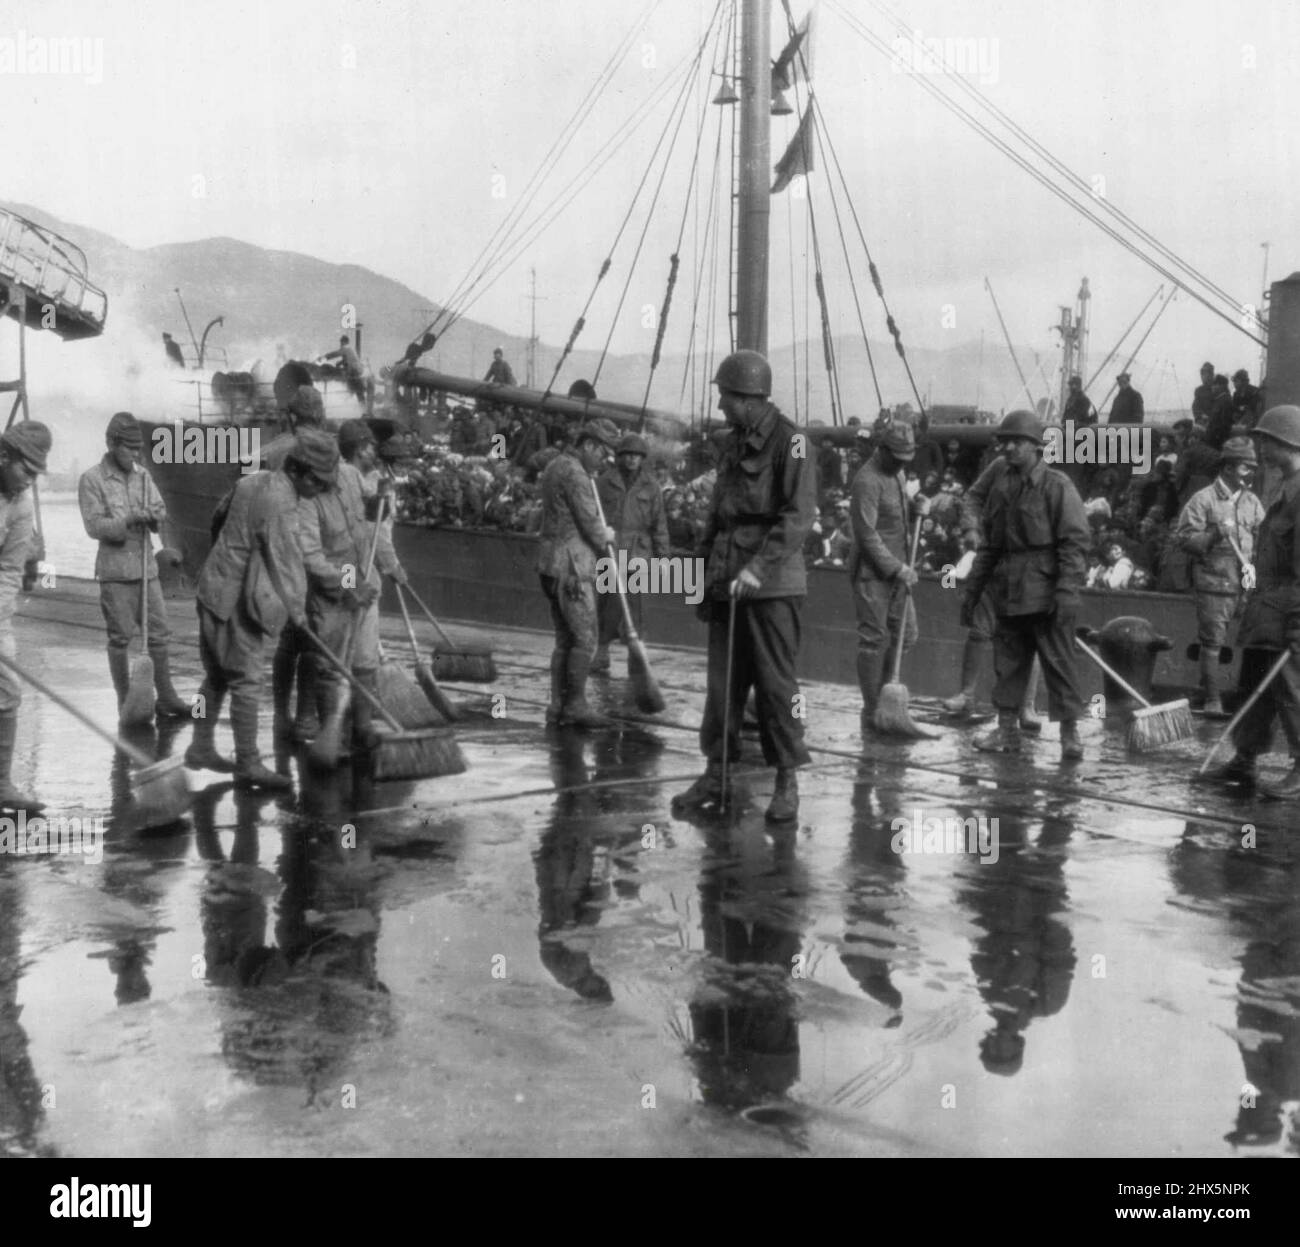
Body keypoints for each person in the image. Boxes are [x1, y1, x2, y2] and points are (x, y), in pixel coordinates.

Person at [673, 350, 816, 823]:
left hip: (772, 585)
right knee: (723, 685)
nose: (720, 406)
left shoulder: (793, 444)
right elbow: (718, 514)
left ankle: (787, 781)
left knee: (777, 687)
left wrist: (757, 569)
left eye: (726, 396)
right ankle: (717, 772)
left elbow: (798, 517)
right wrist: (703, 577)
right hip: (726, 577)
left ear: (751, 398)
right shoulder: (732, 443)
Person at [185, 428, 337, 790]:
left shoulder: (254, 481)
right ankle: (249, 763)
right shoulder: (282, 501)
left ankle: (201, 746)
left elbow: (217, 519)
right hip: (235, 599)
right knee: (247, 679)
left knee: (218, 675)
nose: (321, 489)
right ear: (299, 470)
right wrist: (298, 612)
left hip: (213, 585)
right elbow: (285, 561)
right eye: (318, 482)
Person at [962, 410, 1090, 760]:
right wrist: (974, 589)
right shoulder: (1002, 486)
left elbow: (1074, 543)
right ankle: (1005, 729)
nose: (1009, 449)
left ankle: (1070, 734)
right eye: (1006, 442)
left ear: (1036, 446)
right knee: (1009, 663)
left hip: (1047, 591)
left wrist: (1066, 590)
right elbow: (991, 544)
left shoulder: (1057, 486)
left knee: (1059, 663)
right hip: (1009, 589)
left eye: (1017, 442)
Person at [1195, 407, 1300, 797]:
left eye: (1268, 441)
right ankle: (1244, 759)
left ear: (1288, 443)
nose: (1262, 449)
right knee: (1252, 686)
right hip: (1266, 612)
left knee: (1291, 692)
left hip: (1289, 611)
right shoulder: (1280, 490)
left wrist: (1298, 626)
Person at [296, 422, 408, 755]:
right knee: (332, 665)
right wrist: (348, 585)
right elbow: (313, 556)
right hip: (335, 584)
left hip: (364, 572)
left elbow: (369, 514)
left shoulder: (348, 475)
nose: (330, 475)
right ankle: (336, 737)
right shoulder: (305, 499)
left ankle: (361, 727)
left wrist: (379, 502)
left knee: (365, 659)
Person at [77, 411, 190, 722]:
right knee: (120, 638)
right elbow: (93, 526)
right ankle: (125, 701)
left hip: (146, 569)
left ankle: (167, 697)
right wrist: (127, 520)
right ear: (112, 444)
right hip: (116, 572)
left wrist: (154, 516)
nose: (136, 454)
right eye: (129, 448)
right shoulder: (91, 480)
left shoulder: (143, 475)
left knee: (159, 633)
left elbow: (160, 510)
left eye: (139, 449)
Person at [537, 418, 621, 729]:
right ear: (588, 445)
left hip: (549, 563)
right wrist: (607, 534)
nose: (605, 459)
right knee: (585, 637)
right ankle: (575, 705)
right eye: (602, 452)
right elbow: (590, 523)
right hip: (573, 567)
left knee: (564, 639)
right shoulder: (576, 474)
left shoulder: (556, 465)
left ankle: (557, 705)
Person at [1174, 436, 1264, 717]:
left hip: (1247, 586)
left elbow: (1262, 540)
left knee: (1253, 642)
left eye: (1252, 467)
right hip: (1214, 584)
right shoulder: (1203, 501)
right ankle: (1213, 700)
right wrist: (1214, 534)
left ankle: (1246, 701)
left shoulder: (1252, 502)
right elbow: (1185, 540)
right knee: (1212, 642)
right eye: (1244, 467)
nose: (1250, 472)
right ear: (1227, 468)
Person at [846, 422, 928, 725]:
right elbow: (866, 534)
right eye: (897, 457)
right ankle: (872, 710)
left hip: (897, 572)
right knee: (873, 639)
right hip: (873, 573)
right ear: (882, 449)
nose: (902, 463)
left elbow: (897, 509)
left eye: (907, 458)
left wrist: (916, 503)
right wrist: (897, 568)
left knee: (907, 635)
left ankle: (884, 698)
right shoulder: (867, 481)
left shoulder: (897, 473)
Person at [0, 423, 52, 810]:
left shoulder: (20, 503)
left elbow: (9, 570)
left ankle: (1, 784)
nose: (29, 482)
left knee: (8, 691)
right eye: (26, 471)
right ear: (5, 457)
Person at [593, 433, 669, 676]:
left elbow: (660, 524)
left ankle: (635, 658)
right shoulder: (605, 482)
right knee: (607, 601)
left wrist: (663, 558)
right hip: (611, 548)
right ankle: (601, 652)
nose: (632, 460)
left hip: (639, 552)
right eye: (627, 455)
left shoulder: (651, 486)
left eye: (636, 456)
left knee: (634, 605)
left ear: (642, 458)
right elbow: (593, 515)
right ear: (620, 457)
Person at [1205, 374, 1236, 449]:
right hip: (1214, 440)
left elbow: (1225, 425)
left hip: (1218, 442)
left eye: (1214, 385)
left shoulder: (1225, 401)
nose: (1212, 387)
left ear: (1222, 386)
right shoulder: (1219, 400)